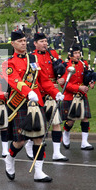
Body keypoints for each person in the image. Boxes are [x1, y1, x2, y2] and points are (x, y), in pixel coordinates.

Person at [2, 28, 64, 182]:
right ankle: (10, 158)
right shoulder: (8, 62)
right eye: (20, 41)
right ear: (13, 44)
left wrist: (55, 93)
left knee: (39, 137)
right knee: (20, 140)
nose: (23, 43)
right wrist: (28, 91)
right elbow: (15, 80)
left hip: (36, 103)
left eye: (24, 41)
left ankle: (39, 172)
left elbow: (43, 80)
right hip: (20, 103)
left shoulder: (33, 59)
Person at [30, 32, 67, 161]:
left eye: (46, 41)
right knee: (37, 125)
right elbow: (34, 79)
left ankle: (56, 152)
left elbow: (62, 68)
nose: (45, 43)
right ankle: (30, 145)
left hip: (52, 93)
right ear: (35, 43)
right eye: (41, 41)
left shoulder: (53, 54)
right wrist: (50, 87)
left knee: (56, 122)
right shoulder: (32, 58)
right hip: (40, 94)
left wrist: (62, 78)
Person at [60, 45, 95, 150]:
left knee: (84, 118)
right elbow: (64, 84)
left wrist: (92, 82)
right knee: (71, 120)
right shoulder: (66, 66)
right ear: (70, 55)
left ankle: (84, 142)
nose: (78, 55)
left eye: (79, 53)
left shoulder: (83, 64)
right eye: (75, 53)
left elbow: (88, 76)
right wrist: (79, 88)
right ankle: (66, 132)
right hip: (70, 96)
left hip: (82, 96)